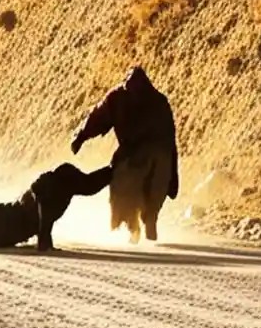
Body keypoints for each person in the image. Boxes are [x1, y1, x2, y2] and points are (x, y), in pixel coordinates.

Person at [70, 66, 179, 243]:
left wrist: (173, 173)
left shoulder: (157, 102)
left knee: (146, 187)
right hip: (137, 153)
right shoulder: (119, 98)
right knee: (126, 186)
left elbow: (169, 138)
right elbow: (98, 116)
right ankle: (134, 227)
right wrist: (81, 135)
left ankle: (147, 223)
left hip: (156, 154)